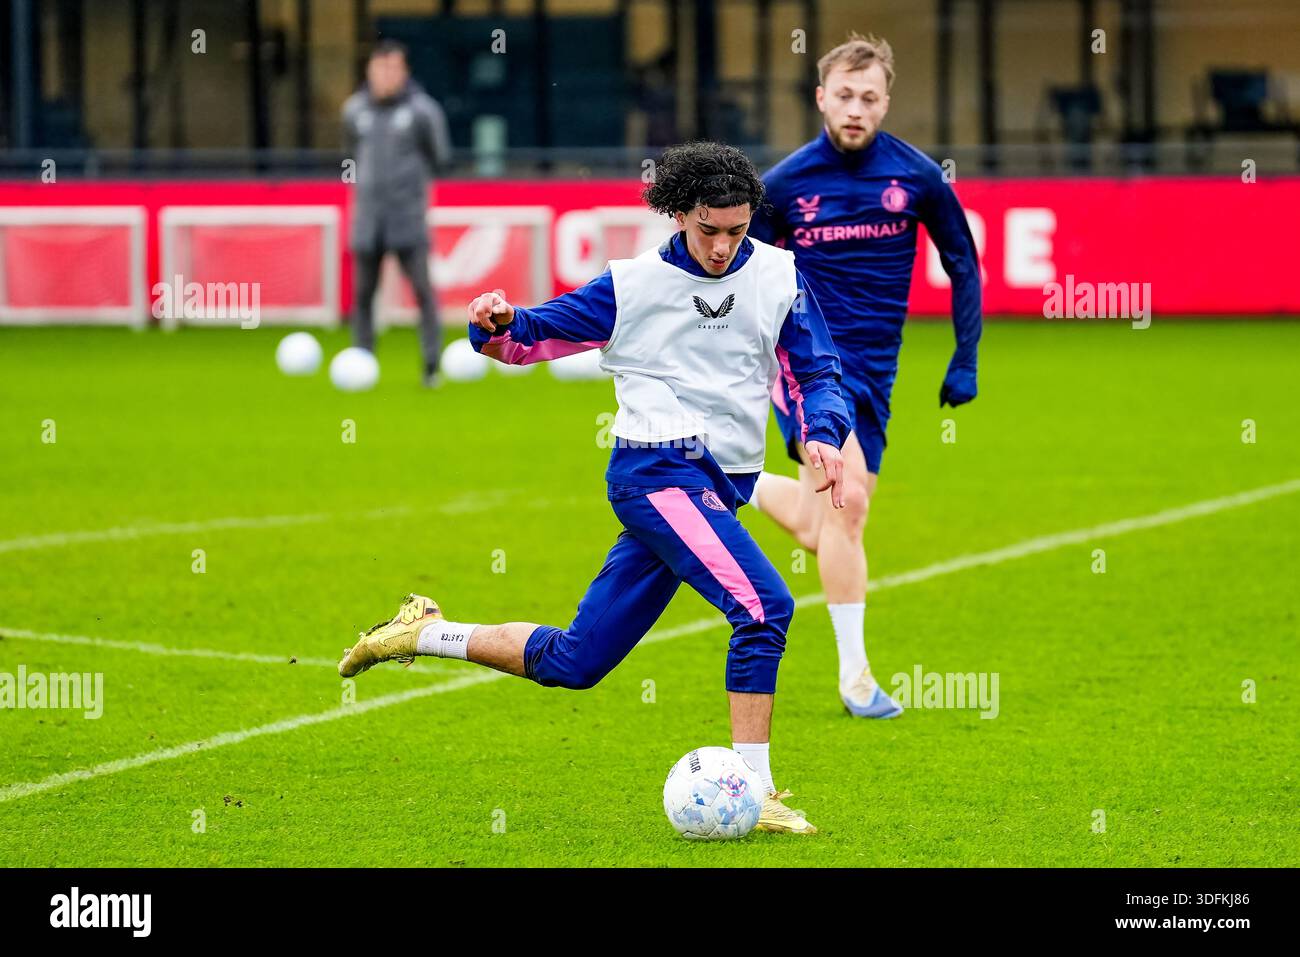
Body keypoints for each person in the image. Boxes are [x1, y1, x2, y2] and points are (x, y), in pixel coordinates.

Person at [338, 142, 850, 834]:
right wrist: (493, 323)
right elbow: (531, 336)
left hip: (717, 486)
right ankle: (757, 792)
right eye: (709, 229)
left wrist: (822, 428)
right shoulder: (633, 285)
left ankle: (424, 631)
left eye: (737, 229)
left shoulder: (781, 276)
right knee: (764, 607)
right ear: (677, 215)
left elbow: (817, 369)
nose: (725, 245)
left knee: (576, 662)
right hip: (657, 472)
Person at [748, 33, 983, 718]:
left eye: (869, 97)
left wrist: (965, 356)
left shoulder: (918, 177)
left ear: (886, 102)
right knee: (847, 514)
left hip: (877, 373)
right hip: (808, 369)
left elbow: (963, 265)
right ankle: (856, 679)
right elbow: (748, 278)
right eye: (844, 95)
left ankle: (729, 476)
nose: (856, 108)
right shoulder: (786, 185)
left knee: (820, 526)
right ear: (821, 97)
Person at [342, 39, 452, 386]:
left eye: (393, 68)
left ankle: (431, 368)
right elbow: (348, 159)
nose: (386, 75)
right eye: (379, 68)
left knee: (422, 293)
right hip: (368, 219)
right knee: (362, 297)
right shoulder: (354, 111)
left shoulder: (423, 112)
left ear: (404, 72)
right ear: (369, 71)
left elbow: (440, 158)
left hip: (407, 219)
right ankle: (362, 364)